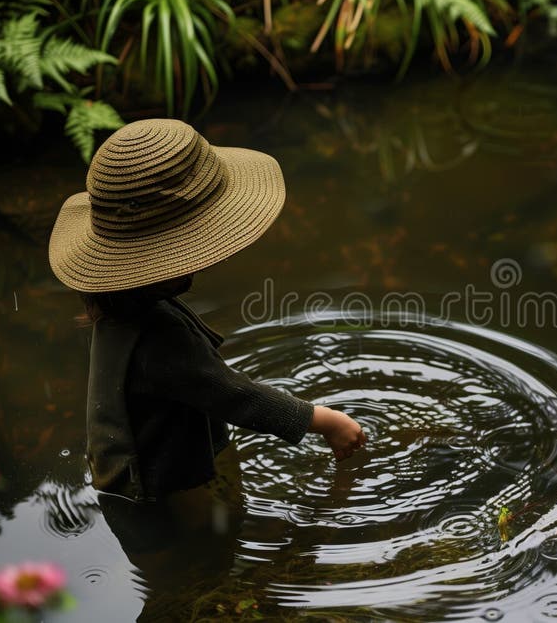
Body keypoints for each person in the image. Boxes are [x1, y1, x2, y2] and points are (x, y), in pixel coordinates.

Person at [47, 118, 367, 505]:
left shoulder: (118, 305)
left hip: (128, 469)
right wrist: (322, 420)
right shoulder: (161, 336)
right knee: (205, 560)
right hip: (165, 493)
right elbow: (234, 396)